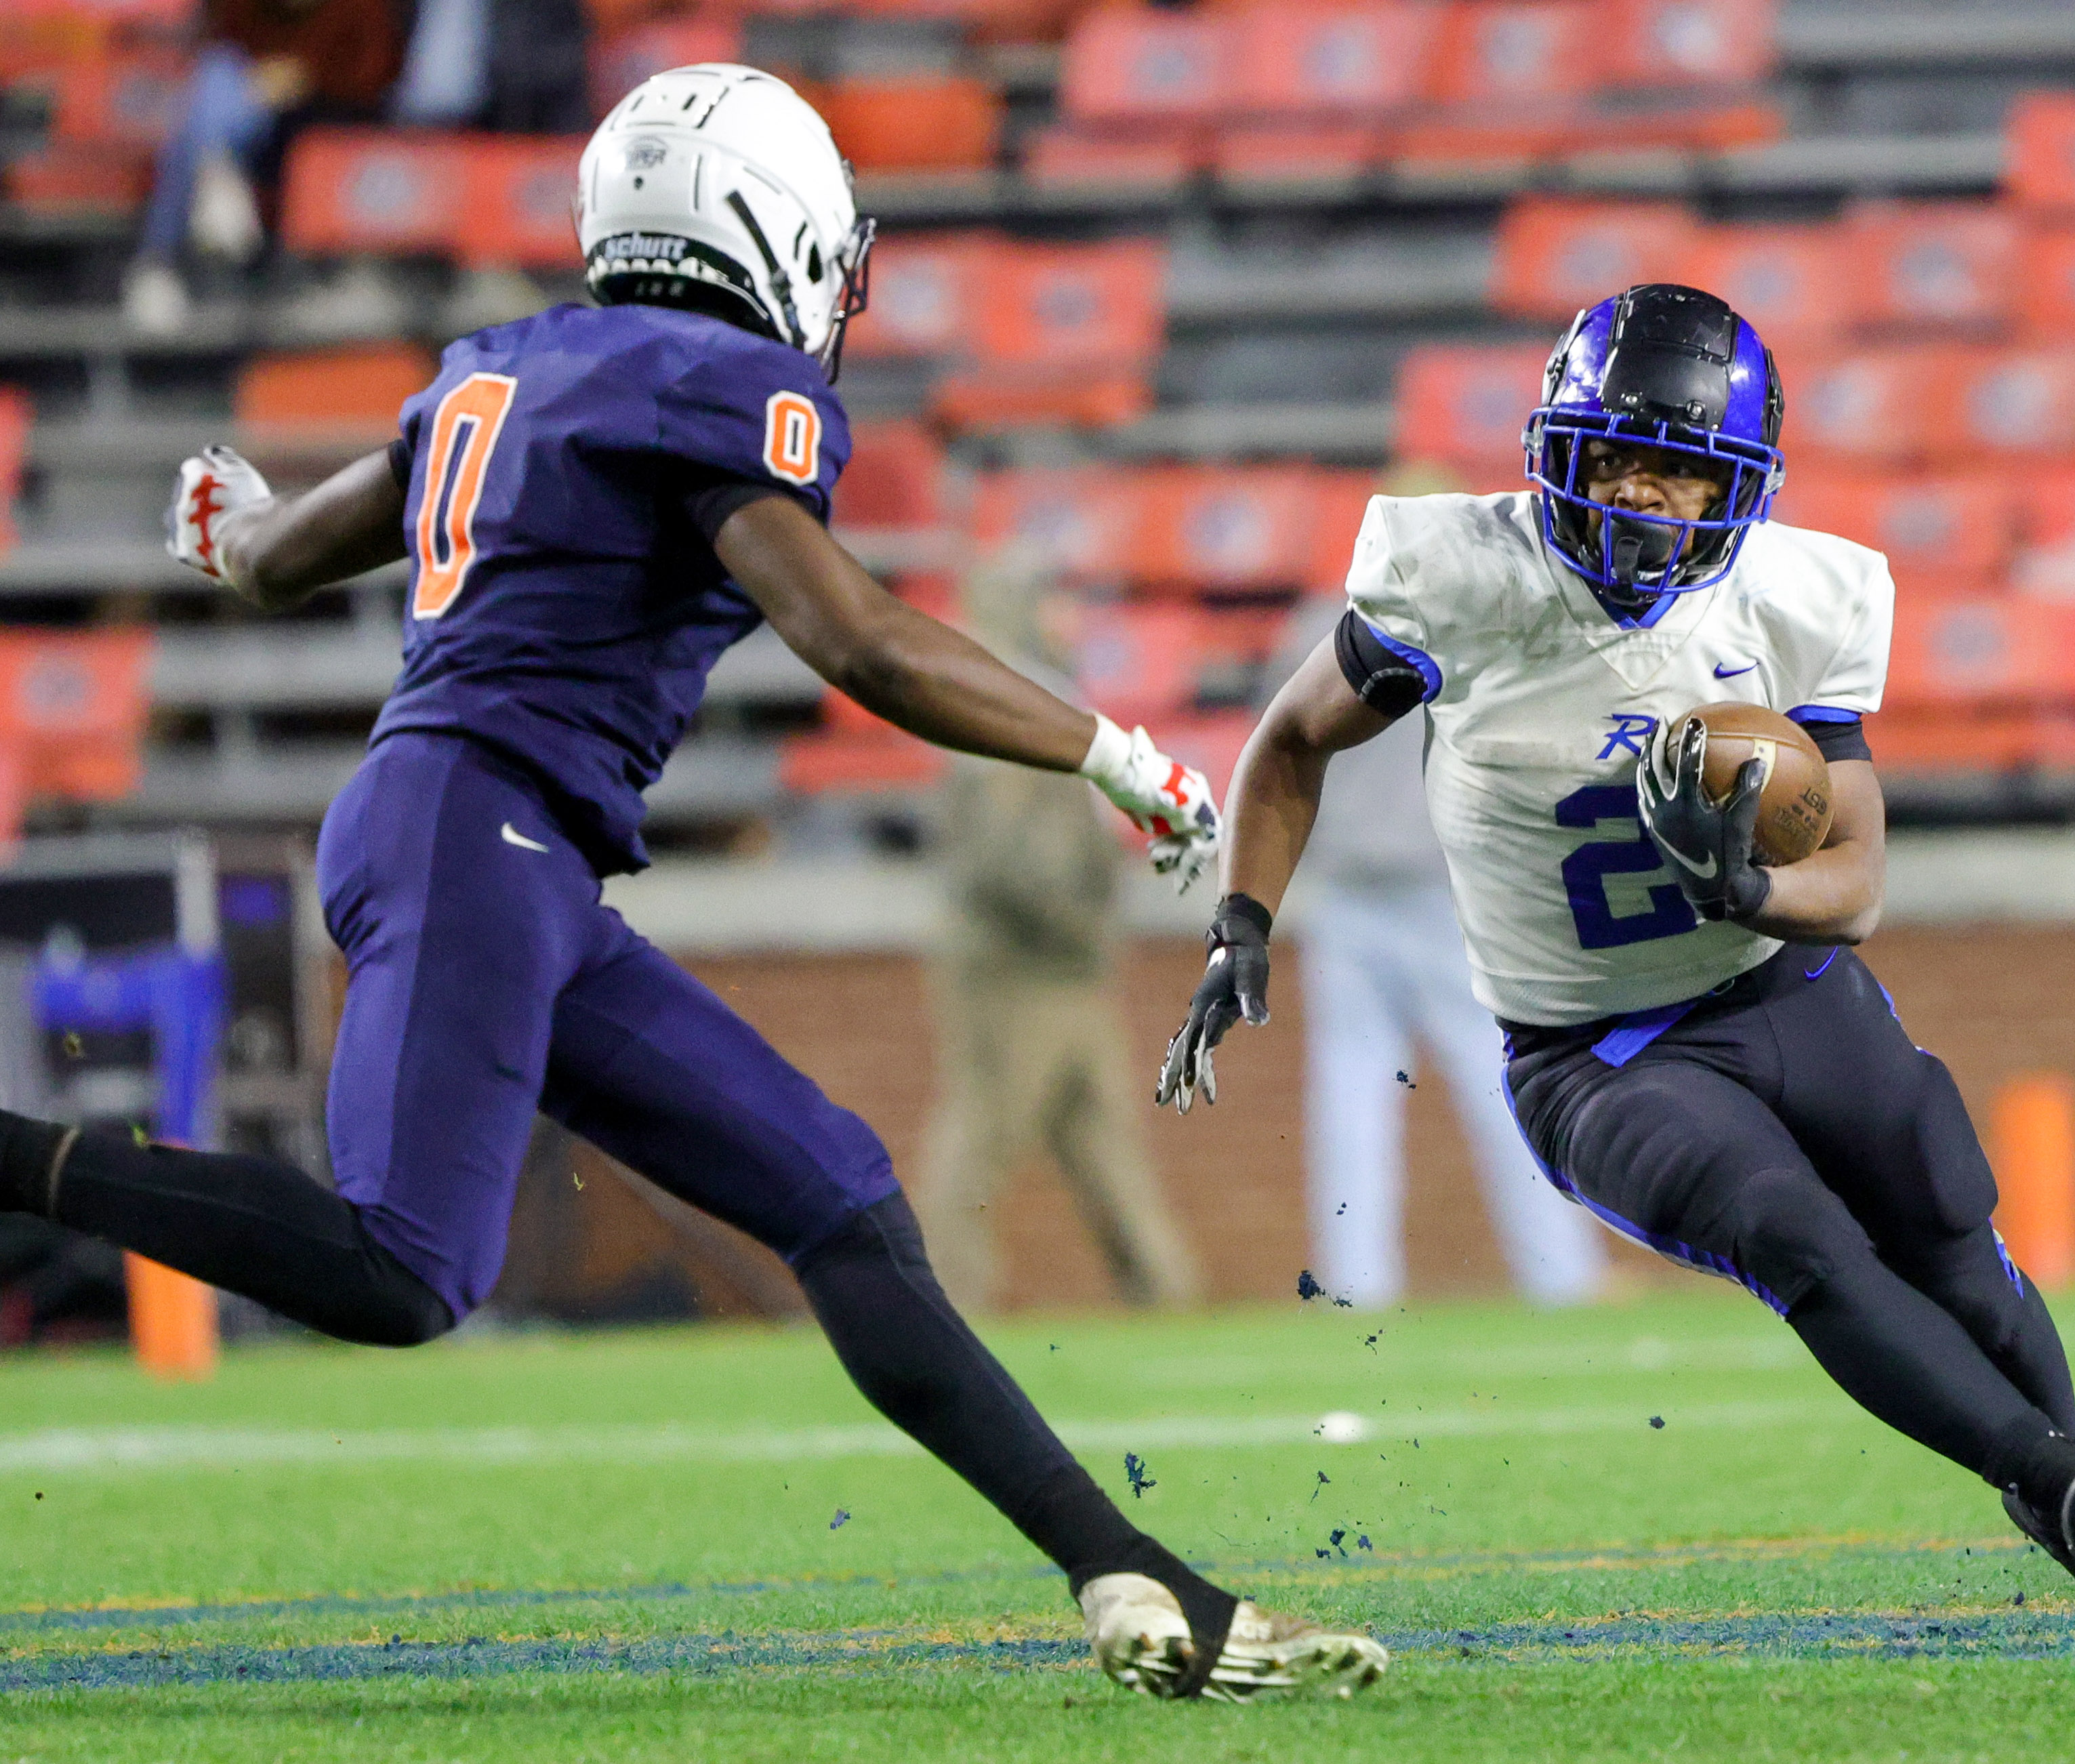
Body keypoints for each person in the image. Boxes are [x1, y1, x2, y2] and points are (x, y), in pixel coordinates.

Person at [7, 66, 1385, 1702]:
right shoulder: (712, 384)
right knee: (403, 1266)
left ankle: (1130, 1571)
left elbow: (272, 556)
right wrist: (1106, 750)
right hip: (474, 829)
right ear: (772, 234)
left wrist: (230, 521)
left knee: (836, 1193)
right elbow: (857, 638)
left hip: (503, 846)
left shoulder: (503, 364)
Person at [1156, 283, 2075, 1630]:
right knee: (1792, 1230)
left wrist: (1749, 884)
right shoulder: (1462, 581)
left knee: (1945, 1208)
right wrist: (1240, 918)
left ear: (1738, 488)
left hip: (1780, 986)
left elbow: (1856, 879)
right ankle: (2056, 1483)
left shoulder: (1791, 600)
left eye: (1680, 471)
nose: (1639, 495)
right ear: (1556, 453)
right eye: (1612, 458)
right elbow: (1291, 737)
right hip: (1592, 1048)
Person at [1258, 592, 1606, 1309]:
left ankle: (1355, 1284)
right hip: (1447, 883)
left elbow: (1278, 754)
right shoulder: (1469, 614)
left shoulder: (1314, 626)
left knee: (1351, 1087)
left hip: (1348, 881)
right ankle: (1562, 1273)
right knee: (1498, 1077)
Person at [916, 558, 1202, 1313]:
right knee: (984, 1133)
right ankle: (940, 1294)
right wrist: (1079, 917)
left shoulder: (1039, 694)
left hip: (1069, 964)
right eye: (1054, 601)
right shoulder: (994, 701)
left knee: (1103, 1137)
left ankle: (1164, 1294)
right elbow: (1004, 855)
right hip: (1018, 967)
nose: (1070, 619)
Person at [123, 0, 406, 335]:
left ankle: (163, 256)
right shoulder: (240, 8)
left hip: (325, 128)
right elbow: (220, 47)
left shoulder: (360, 9)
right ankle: (215, 171)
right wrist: (261, 84)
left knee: (205, 122)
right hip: (249, 127)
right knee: (216, 76)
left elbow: (375, 79)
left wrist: (305, 76)